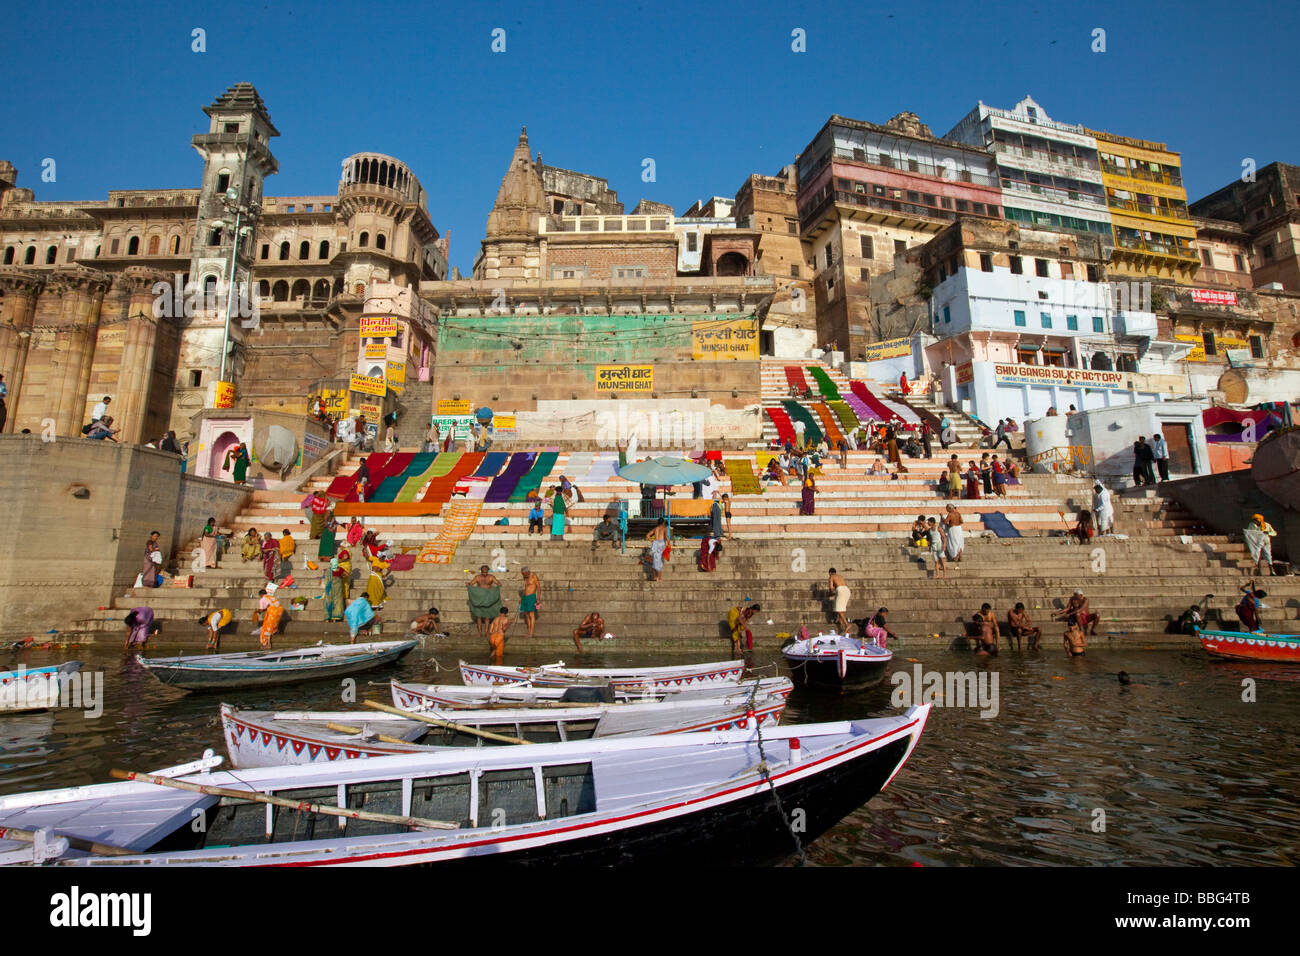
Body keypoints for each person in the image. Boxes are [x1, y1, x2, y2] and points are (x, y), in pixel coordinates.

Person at [468, 565, 502, 639]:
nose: (485, 574)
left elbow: (497, 583)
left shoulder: (491, 577)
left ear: (488, 571)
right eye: (483, 572)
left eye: (486, 572)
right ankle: (480, 632)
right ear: (481, 571)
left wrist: (499, 584)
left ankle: (487, 632)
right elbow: (471, 584)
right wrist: (469, 585)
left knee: (487, 617)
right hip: (479, 598)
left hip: (488, 599)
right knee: (479, 617)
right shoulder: (477, 577)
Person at [323, 556, 348, 622]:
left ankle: (328, 618)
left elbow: (326, 579)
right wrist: (341, 577)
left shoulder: (328, 570)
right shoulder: (340, 569)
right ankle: (336, 617)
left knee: (329, 600)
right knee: (338, 600)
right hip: (338, 587)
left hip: (330, 588)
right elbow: (347, 574)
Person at [519, 567, 541, 638]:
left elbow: (539, 588)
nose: (523, 576)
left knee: (531, 615)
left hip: (532, 597)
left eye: (524, 574)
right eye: (522, 574)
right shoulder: (525, 577)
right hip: (525, 597)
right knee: (526, 614)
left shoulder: (534, 576)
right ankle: (528, 632)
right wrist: (522, 598)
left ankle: (531, 633)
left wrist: (538, 598)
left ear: (528, 572)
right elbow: (526, 588)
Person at [827, 568, 850, 633]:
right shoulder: (840, 576)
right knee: (841, 607)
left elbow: (831, 588)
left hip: (841, 590)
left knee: (838, 609)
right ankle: (840, 621)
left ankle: (847, 624)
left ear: (830, 573)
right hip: (847, 590)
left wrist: (829, 594)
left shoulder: (831, 576)